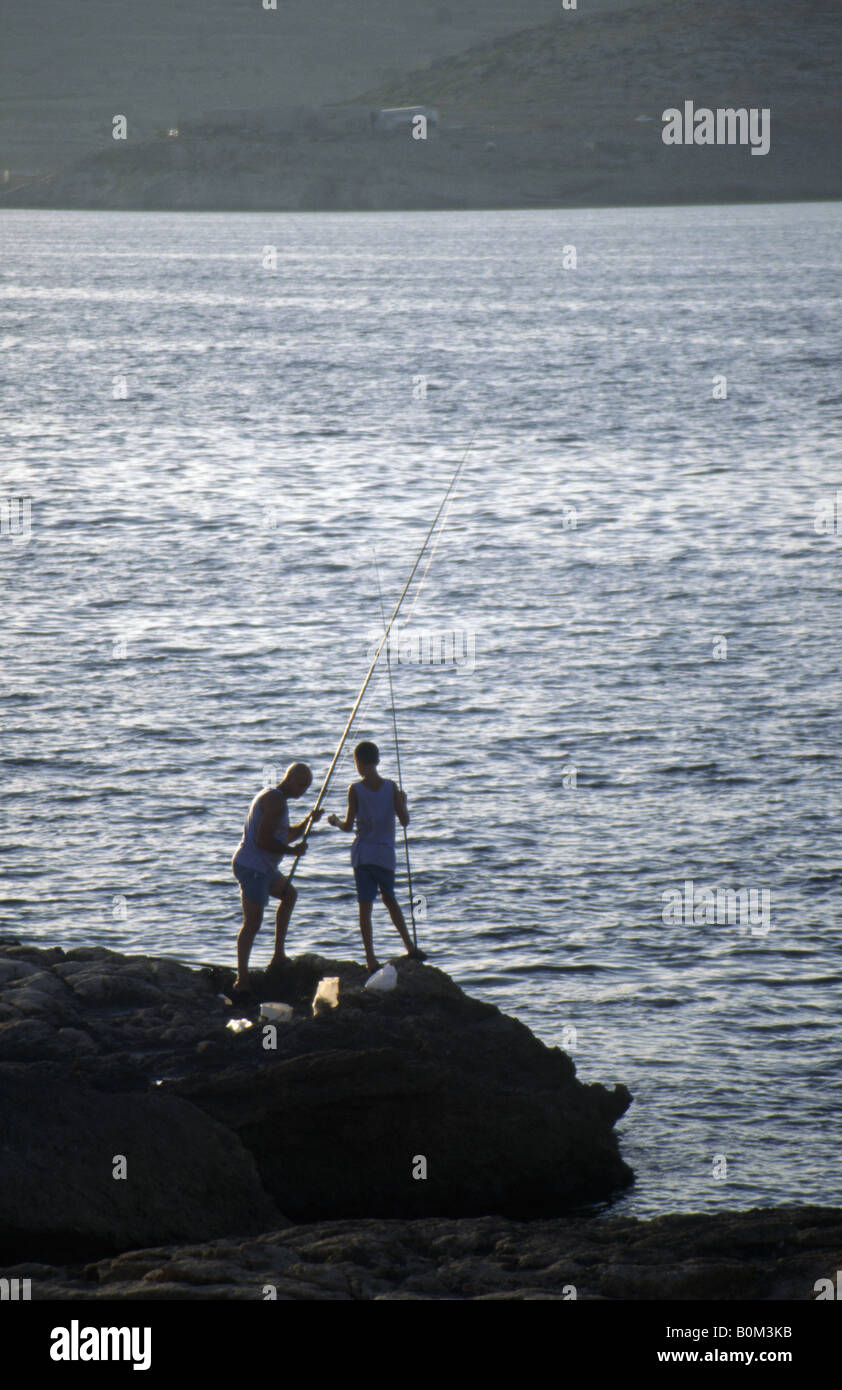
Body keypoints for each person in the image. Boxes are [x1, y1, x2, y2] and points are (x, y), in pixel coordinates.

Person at [327, 740, 424, 974]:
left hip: (363, 855)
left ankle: (371, 959)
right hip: (385, 855)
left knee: (365, 908)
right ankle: (409, 946)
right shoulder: (391, 787)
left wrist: (335, 821)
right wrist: (404, 802)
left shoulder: (355, 789)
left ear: (357, 763)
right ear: (378, 761)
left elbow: (349, 826)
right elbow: (405, 821)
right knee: (390, 900)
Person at [231, 762, 322, 998]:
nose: (303, 790)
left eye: (307, 786)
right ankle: (242, 979)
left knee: (289, 895)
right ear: (288, 778)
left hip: (265, 868)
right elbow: (263, 840)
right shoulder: (274, 800)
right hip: (252, 866)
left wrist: (308, 822)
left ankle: (278, 955)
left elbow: (285, 834)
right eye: (300, 784)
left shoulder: (279, 800)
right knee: (253, 922)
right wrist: (293, 852)